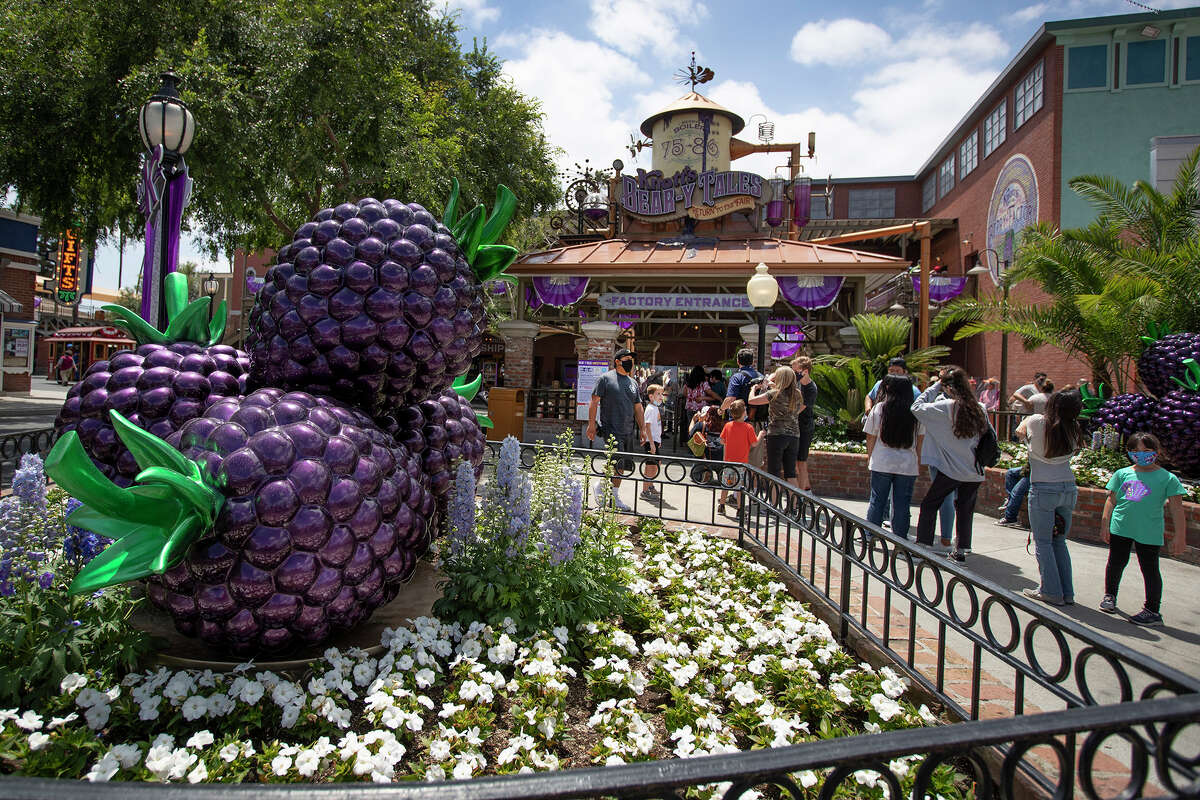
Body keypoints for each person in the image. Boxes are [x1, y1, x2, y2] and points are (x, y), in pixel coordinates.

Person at [1099, 432, 1188, 625]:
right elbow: (1111, 499)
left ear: (1156, 451)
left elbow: (1177, 509)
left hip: (1149, 530)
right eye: (1135, 451)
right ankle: (1110, 596)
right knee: (1115, 563)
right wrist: (1105, 522)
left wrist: (1180, 536)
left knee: (1150, 569)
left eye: (1146, 451)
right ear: (1129, 453)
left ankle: (1152, 610)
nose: (1141, 455)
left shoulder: (1168, 478)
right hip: (1121, 527)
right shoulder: (1122, 473)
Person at [912, 366, 990, 561]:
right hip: (974, 470)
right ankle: (961, 551)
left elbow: (916, 407)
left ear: (948, 388)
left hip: (951, 469)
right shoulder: (980, 408)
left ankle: (922, 546)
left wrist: (936, 385)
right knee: (965, 509)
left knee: (930, 504)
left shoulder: (946, 407)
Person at [1016, 389, 1085, 607]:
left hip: (1044, 489)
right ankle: (1066, 592)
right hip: (1068, 487)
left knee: (1043, 542)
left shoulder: (1037, 421)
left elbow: (1020, 429)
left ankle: (1051, 591)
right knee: (1059, 541)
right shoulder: (1073, 427)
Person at [586, 348, 647, 512]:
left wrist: (642, 429)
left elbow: (638, 407)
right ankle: (610, 495)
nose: (630, 362)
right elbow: (594, 401)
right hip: (611, 428)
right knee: (617, 464)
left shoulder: (633, 383)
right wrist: (591, 424)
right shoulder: (605, 379)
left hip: (628, 429)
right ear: (618, 361)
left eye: (631, 359)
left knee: (621, 466)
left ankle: (606, 489)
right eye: (627, 358)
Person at [863, 374, 924, 539]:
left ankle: (870, 535)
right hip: (907, 463)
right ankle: (900, 538)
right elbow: (920, 439)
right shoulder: (915, 412)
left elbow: (871, 436)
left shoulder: (880, 408)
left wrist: (870, 456)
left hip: (882, 460)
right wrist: (917, 460)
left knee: (877, 500)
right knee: (902, 504)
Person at [748, 366, 803, 489]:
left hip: (777, 435)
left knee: (774, 473)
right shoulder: (797, 394)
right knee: (791, 474)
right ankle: (794, 506)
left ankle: (773, 506)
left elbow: (752, 401)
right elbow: (784, 391)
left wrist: (753, 389)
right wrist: (771, 384)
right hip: (794, 436)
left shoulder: (773, 394)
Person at [718, 399, 759, 514]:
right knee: (739, 486)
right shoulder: (748, 428)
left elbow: (722, 440)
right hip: (741, 463)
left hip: (728, 462)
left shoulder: (728, 425)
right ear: (743, 412)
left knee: (726, 484)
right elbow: (754, 443)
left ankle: (721, 505)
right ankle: (740, 509)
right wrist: (760, 435)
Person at [790, 355, 818, 492]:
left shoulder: (811, 388)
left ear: (805, 371)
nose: (794, 374)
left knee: (801, 461)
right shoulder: (797, 383)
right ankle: (805, 489)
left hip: (804, 427)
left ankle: (802, 494)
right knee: (794, 461)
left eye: (796, 371)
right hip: (795, 426)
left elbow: (799, 409)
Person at [639, 384, 665, 503]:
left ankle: (650, 486)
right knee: (650, 467)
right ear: (651, 396)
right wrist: (652, 444)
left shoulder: (655, 408)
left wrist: (657, 441)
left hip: (654, 440)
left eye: (662, 394)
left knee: (655, 465)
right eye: (658, 394)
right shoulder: (650, 409)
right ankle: (645, 491)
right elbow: (647, 426)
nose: (661, 396)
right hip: (651, 441)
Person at [720, 349, 762, 417]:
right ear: (752, 362)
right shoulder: (761, 376)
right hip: (759, 419)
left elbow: (730, 399)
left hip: (740, 418)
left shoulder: (737, 377)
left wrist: (721, 409)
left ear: (738, 361)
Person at [996, 463, 1031, 529]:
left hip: (1037, 471)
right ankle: (1010, 501)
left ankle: (1010, 518)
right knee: (1010, 473)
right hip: (1031, 468)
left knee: (1016, 492)